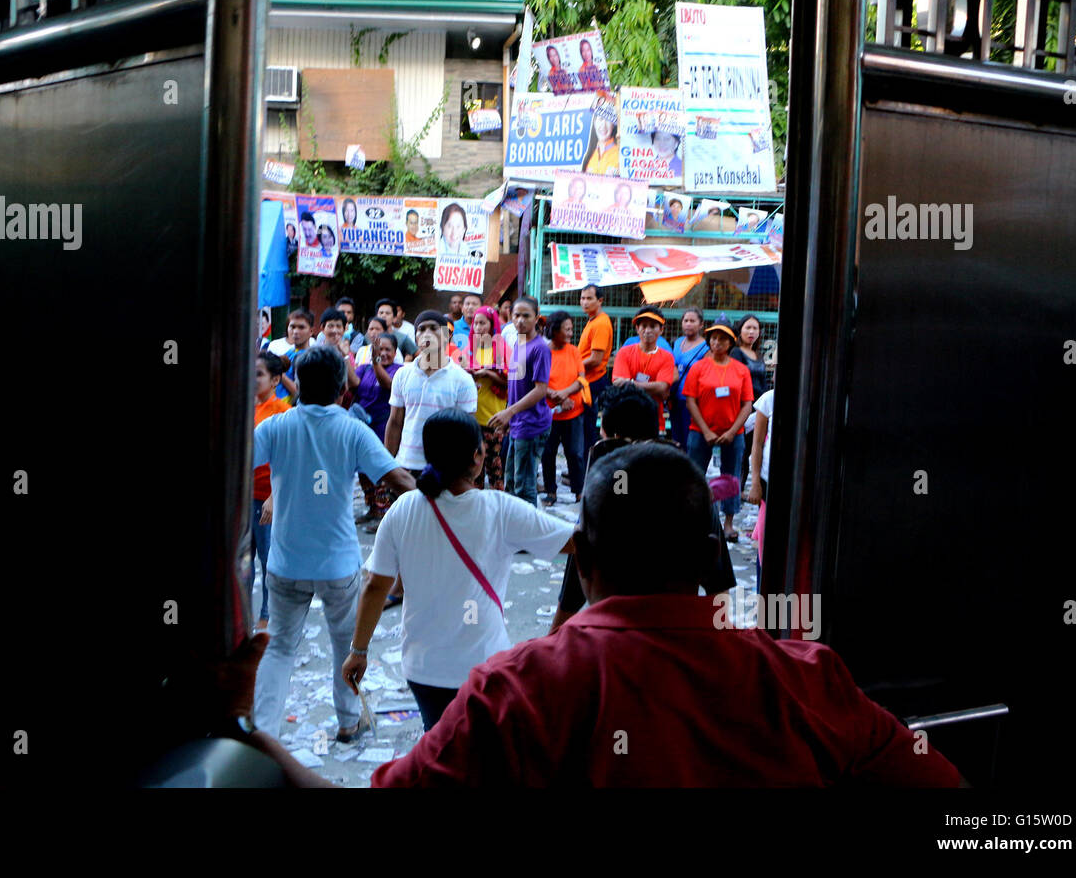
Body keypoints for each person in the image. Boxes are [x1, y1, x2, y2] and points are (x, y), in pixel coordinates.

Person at [365, 443, 964, 786]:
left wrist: (267, 747)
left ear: (584, 563)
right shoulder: (806, 679)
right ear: (709, 559)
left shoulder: (512, 695)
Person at [343, 410, 575, 732]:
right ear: (478, 456)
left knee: (439, 745)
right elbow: (578, 542)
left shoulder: (403, 510)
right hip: (483, 666)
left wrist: (358, 651)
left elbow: (375, 587)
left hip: (423, 668)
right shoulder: (499, 510)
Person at [252, 347, 416, 743]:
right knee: (345, 643)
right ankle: (347, 722)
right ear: (343, 388)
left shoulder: (274, 428)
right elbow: (396, 479)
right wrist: (438, 502)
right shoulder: (352, 430)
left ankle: (264, 734)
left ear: (298, 386)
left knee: (279, 648)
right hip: (338, 565)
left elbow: (236, 467)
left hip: (285, 563)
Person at [549, 383, 734, 634]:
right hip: (680, 639)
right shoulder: (688, 489)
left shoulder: (604, 493)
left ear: (611, 437)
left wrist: (551, 639)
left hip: (611, 643)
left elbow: (571, 595)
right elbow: (718, 592)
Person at [384, 311, 479, 606]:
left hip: (442, 468)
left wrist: (465, 473)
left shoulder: (462, 380)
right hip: (405, 465)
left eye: (434, 329)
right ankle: (400, 586)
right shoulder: (402, 374)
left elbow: (467, 431)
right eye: (421, 328)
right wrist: (387, 463)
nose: (427, 334)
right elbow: (395, 421)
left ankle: (434, 587)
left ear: (447, 336)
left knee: (440, 530)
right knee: (405, 529)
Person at [682, 317, 754, 542]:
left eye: (722, 339)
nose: (717, 343)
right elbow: (691, 401)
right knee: (695, 475)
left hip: (734, 433)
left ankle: (728, 523)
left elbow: (747, 404)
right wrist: (706, 431)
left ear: (731, 342)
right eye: (714, 338)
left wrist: (733, 431)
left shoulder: (741, 370)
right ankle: (693, 518)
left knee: (730, 477)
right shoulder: (698, 368)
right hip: (700, 431)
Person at [489, 296, 551, 507]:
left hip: (532, 424)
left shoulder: (540, 348)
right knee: (512, 482)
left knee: (524, 486)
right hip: (516, 422)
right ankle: (513, 528)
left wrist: (510, 412)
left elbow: (540, 390)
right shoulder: (517, 342)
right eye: (517, 315)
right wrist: (509, 415)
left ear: (536, 318)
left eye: (526, 315)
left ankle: (529, 534)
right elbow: (516, 386)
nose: (520, 320)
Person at [251, 351, 291, 630]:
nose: (252, 379)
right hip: (241, 497)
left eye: (259, 374)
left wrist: (274, 497)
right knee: (241, 561)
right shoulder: (242, 407)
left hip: (266, 498)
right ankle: (241, 613)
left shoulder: (284, 413)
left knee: (268, 562)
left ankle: (267, 615)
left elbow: (290, 462)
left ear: (275, 379)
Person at [349, 332, 402, 533]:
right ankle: (371, 508)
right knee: (362, 472)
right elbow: (354, 385)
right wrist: (346, 356)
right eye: (380, 349)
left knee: (380, 471)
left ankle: (383, 514)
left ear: (396, 352)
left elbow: (387, 384)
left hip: (383, 428)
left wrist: (376, 360)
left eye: (388, 349)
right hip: (363, 427)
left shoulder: (399, 371)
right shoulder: (364, 368)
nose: (384, 353)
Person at [541, 311, 589, 508]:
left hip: (573, 411)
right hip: (549, 414)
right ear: (555, 330)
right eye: (567, 329)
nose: (570, 333)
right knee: (548, 453)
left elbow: (581, 378)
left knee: (575, 453)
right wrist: (558, 398)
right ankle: (550, 491)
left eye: (571, 329)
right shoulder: (543, 352)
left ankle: (579, 492)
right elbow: (538, 382)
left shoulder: (574, 351)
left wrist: (565, 394)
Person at [611, 307, 677, 430]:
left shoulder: (667, 357)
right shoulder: (624, 352)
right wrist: (652, 387)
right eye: (644, 326)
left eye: (652, 326)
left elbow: (662, 388)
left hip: (653, 418)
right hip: (626, 416)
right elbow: (618, 384)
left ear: (661, 330)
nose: (647, 330)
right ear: (637, 329)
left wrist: (630, 383)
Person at [466, 306, 509, 490]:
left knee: (493, 463)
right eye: (475, 323)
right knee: (474, 463)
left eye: (483, 323)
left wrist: (487, 373)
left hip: (493, 414)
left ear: (492, 325)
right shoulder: (469, 347)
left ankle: (497, 503)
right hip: (472, 415)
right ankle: (476, 503)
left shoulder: (501, 348)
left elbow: (508, 380)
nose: (478, 327)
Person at [731, 314, 768, 497]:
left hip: (759, 411)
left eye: (755, 328)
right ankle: (734, 493)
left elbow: (764, 383)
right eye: (748, 328)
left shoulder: (758, 355)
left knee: (756, 448)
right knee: (742, 452)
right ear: (740, 330)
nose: (752, 332)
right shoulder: (736, 353)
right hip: (742, 409)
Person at [576, 284, 613, 456]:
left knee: (587, 429)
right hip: (587, 380)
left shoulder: (601, 323)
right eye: (582, 298)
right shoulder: (593, 320)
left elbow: (596, 359)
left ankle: (587, 470)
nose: (584, 302)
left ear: (600, 301)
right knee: (583, 428)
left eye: (589, 298)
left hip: (592, 381)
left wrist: (572, 366)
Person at [670, 307, 709, 450]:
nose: (688, 324)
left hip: (692, 401)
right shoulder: (678, 342)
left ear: (701, 324)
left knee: (689, 439)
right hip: (675, 398)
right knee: (676, 438)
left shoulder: (706, 347)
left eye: (692, 321)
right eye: (685, 320)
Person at [746, 384, 775, 568]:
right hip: (767, 479)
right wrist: (755, 481)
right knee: (765, 541)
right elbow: (757, 444)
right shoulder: (768, 399)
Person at [265, 308, 314, 400]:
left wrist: (280, 373)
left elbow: (301, 393)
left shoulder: (311, 358)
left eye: (301, 327)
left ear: (311, 331)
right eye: (292, 327)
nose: (295, 331)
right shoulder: (289, 353)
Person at [582, 97, 620, 176]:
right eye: (600, 119)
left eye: (608, 120)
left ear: (613, 125)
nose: (603, 125)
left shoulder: (620, 155)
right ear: (594, 122)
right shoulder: (588, 156)